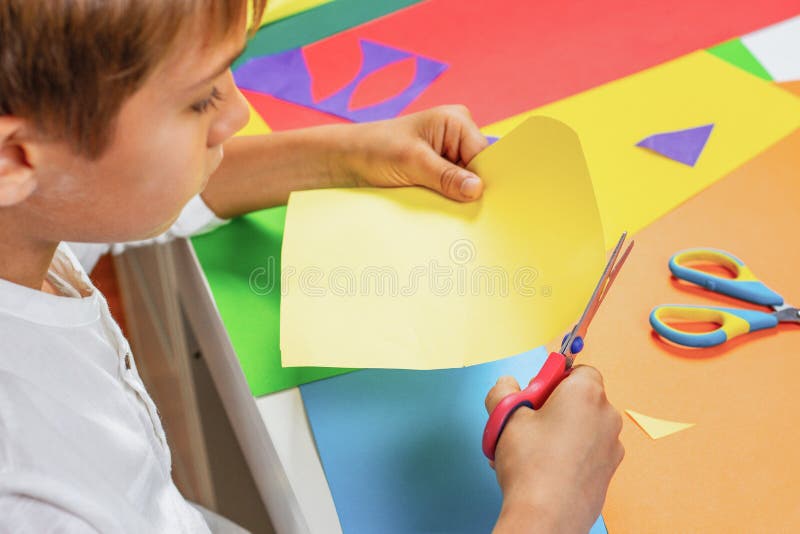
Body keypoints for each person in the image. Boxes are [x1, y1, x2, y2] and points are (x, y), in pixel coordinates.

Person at [0, 0, 623, 532]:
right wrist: (548, 508)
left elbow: (107, 191)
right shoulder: (30, 497)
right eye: (199, 101)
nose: (236, 114)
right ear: (16, 157)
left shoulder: (25, 224)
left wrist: (347, 154)